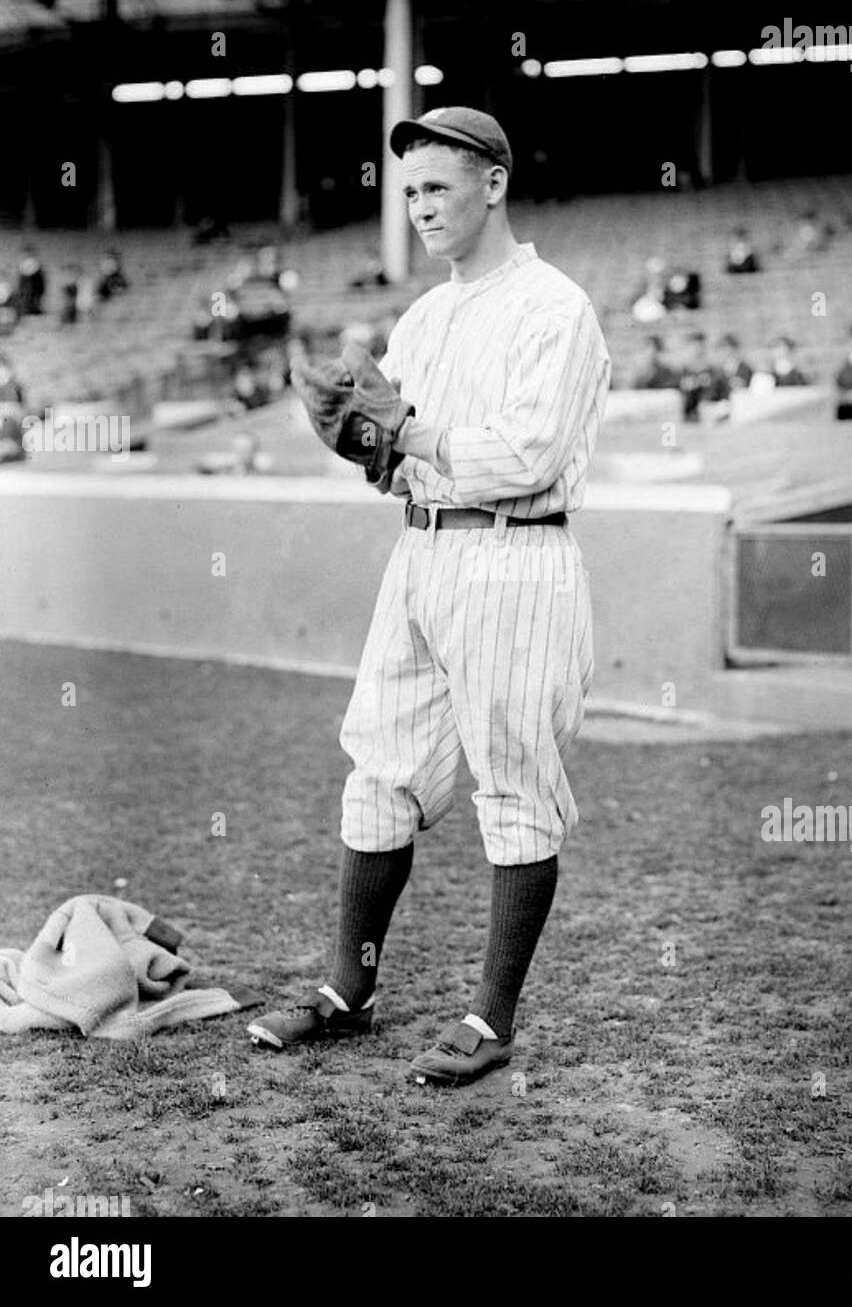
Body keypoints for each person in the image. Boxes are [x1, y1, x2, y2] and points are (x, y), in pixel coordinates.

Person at [248, 106, 611, 1088]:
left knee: (515, 782)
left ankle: (490, 1020)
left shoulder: (554, 306)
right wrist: (358, 441)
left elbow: (529, 454)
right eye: (407, 191)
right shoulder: (423, 314)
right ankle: (346, 990)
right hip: (422, 554)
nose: (419, 208)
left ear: (492, 183)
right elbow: (399, 455)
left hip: (517, 558)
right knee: (377, 768)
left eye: (437, 187)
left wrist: (403, 428)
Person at [14, 244, 46, 316]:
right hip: (31, 287)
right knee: (30, 298)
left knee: (29, 297)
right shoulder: (32, 263)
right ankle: (29, 309)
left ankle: (29, 309)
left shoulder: (31, 263)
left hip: (31, 286)